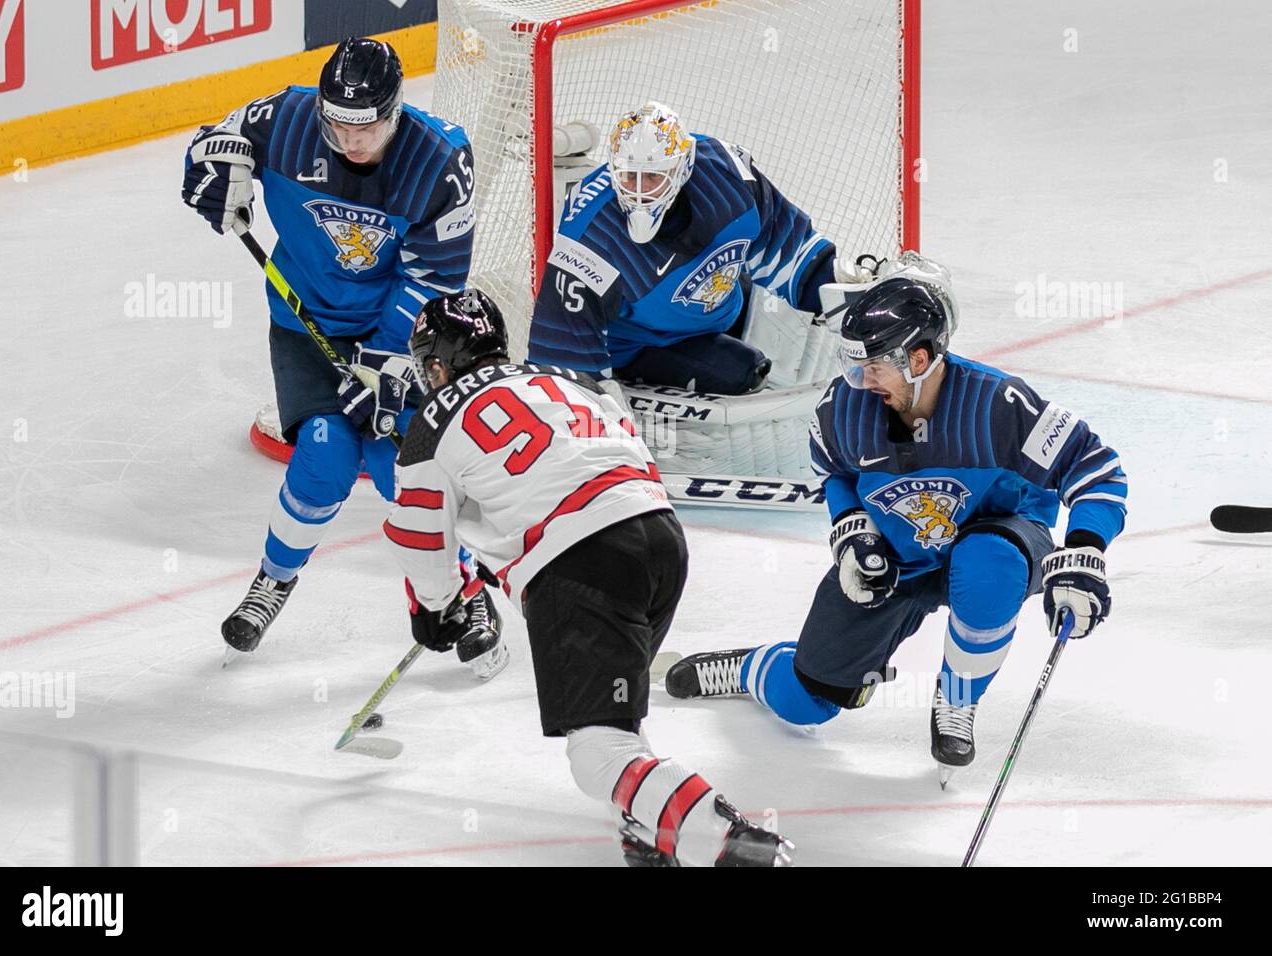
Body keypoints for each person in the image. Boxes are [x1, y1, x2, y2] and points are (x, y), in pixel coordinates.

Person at [665, 255, 1127, 782]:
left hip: (999, 533)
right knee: (808, 701)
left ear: (921, 357)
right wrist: (852, 529)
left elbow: (1094, 466)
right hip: (899, 554)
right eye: (855, 364)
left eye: (876, 365)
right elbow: (834, 473)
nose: (862, 379)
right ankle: (753, 667)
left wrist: (1086, 548)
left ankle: (957, 699)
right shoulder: (843, 408)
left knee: (987, 563)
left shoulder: (997, 405)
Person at [384, 288, 794, 866]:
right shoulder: (571, 379)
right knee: (614, 718)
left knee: (595, 754)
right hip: (660, 538)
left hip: (581, 561)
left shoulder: (434, 418)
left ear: (436, 363)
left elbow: (417, 534)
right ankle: (650, 831)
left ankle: (730, 843)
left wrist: (436, 604)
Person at [181, 37, 503, 677]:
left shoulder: (439, 162)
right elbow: (212, 145)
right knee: (325, 450)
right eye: (338, 124)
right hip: (304, 327)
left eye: (369, 126)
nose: (351, 142)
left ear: (397, 109)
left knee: (401, 464)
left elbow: (433, 282)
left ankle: (465, 591)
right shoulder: (285, 118)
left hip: (405, 338)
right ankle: (273, 580)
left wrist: (383, 364)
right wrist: (208, 178)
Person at [528, 101, 858, 398]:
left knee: (791, 316)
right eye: (630, 177)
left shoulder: (726, 175)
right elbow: (561, 348)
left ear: (682, 167)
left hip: (721, 300)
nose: (640, 192)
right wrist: (597, 400)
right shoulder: (593, 234)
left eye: (654, 178)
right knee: (744, 371)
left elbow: (788, 249)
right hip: (642, 342)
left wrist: (840, 288)